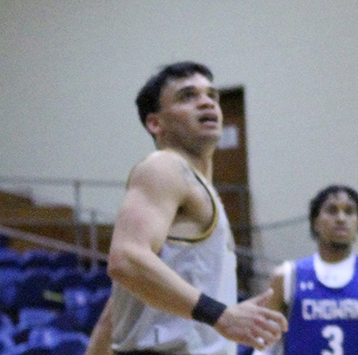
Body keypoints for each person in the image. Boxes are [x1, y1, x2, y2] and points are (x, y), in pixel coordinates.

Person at [85, 63, 285, 355]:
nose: (206, 102)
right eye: (187, 96)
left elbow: (121, 302)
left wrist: (221, 315)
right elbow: (126, 260)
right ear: (156, 123)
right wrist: (221, 315)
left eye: (212, 95)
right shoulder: (164, 166)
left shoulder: (199, 189)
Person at [265, 186, 358, 355]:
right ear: (315, 222)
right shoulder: (286, 277)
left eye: (349, 212)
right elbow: (266, 347)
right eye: (332, 211)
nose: (341, 218)